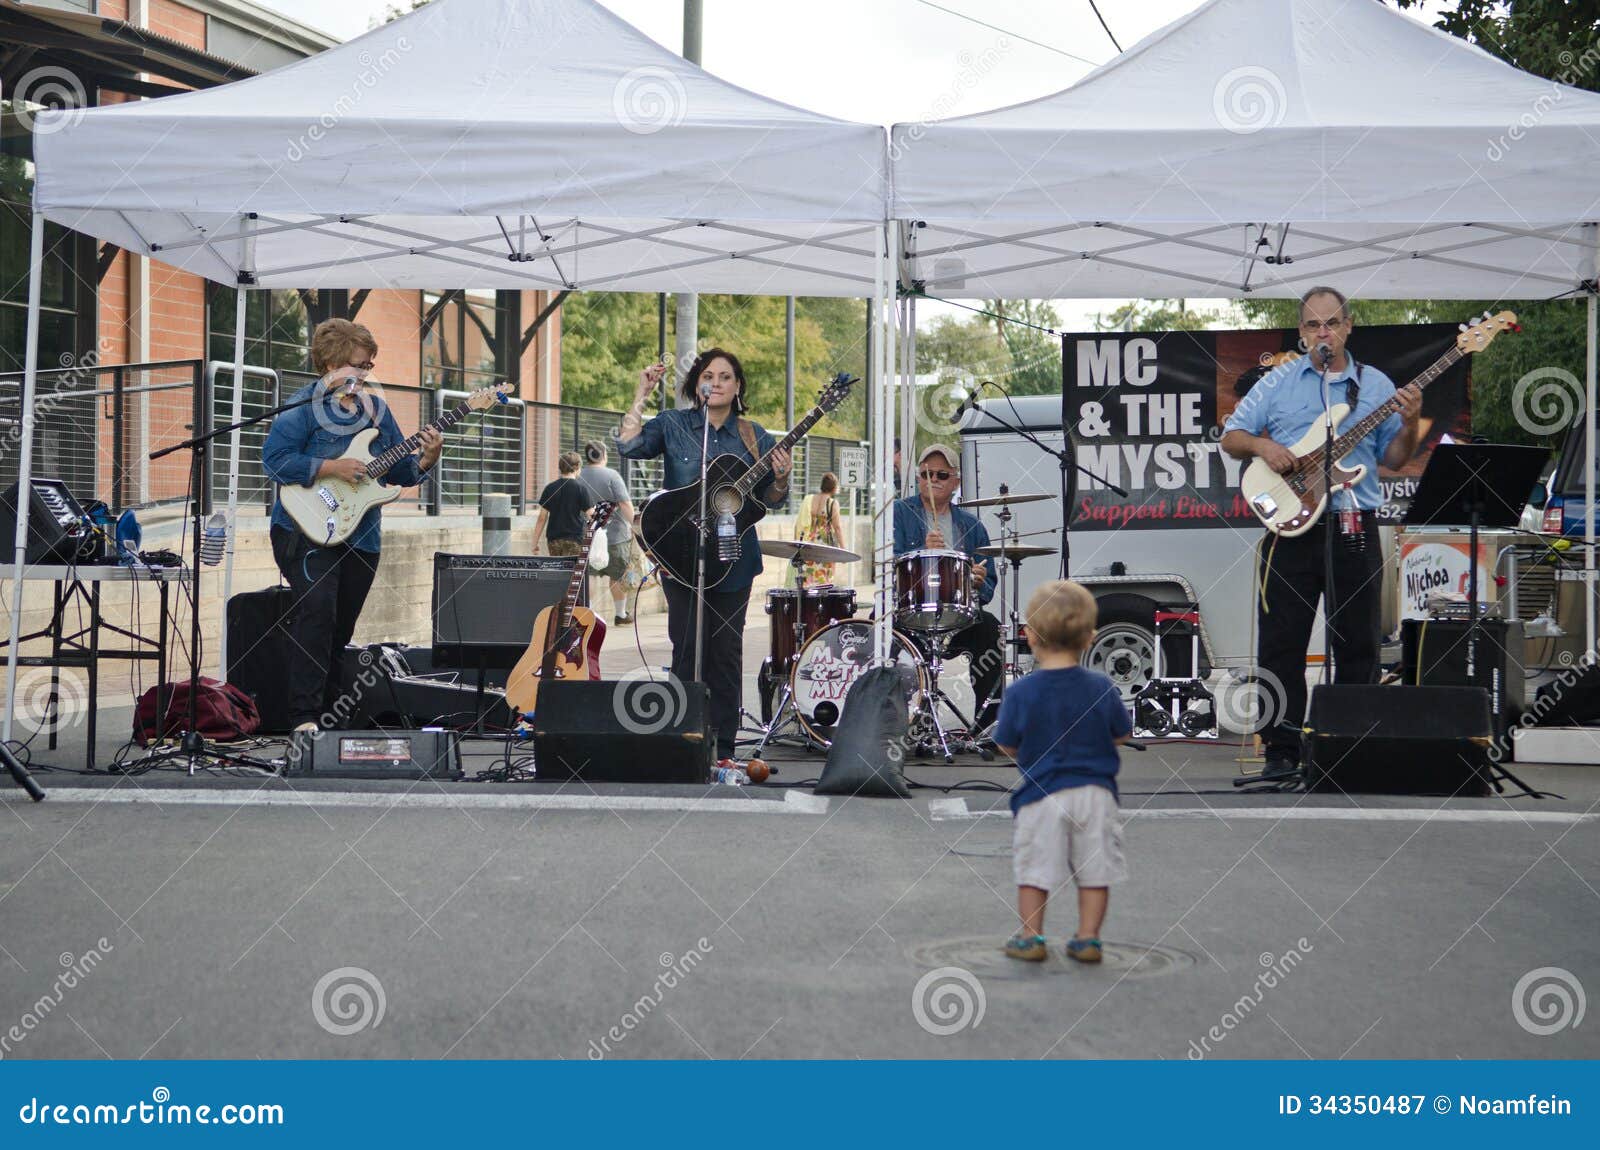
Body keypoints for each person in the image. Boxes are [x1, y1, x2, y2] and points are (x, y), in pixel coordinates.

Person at [1221, 285, 1422, 776]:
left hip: (1353, 524)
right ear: (1302, 333)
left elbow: (1394, 459)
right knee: (1281, 642)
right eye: (1312, 325)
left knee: (1358, 642)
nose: (1323, 333)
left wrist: (1412, 423)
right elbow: (1230, 437)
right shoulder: (1279, 381)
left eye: (1331, 323)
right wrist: (1263, 449)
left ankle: (1351, 749)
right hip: (1289, 529)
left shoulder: (1374, 385)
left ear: (1349, 326)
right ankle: (1282, 752)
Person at [262, 318, 444, 733]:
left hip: (361, 535)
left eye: (368, 367)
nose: (365, 374)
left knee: (341, 626)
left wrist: (426, 460)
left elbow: (398, 470)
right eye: (359, 365)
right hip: (303, 529)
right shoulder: (301, 407)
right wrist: (330, 466)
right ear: (332, 362)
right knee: (318, 612)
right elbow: (274, 460)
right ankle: (303, 717)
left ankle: (327, 718)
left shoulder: (375, 410)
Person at [616, 348, 792, 764]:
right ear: (696, 383)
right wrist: (641, 393)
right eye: (708, 375)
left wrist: (781, 477)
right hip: (682, 557)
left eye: (726, 376)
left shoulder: (754, 435)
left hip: (734, 562)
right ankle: (682, 740)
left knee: (726, 652)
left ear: (737, 387)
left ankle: (725, 748)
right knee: (686, 646)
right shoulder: (673, 425)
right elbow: (627, 446)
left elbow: (773, 500)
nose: (716, 382)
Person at [994, 580, 1131, 963]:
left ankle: (1031, 937)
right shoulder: (1102, 687)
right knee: (1095, 870)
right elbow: (1122, 733)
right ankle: (1088, 938)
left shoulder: (1022, 692)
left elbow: (1006, 743)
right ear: (1090, 637)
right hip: (1096, 794)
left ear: (1030, 637)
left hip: (1043, 793)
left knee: (1035, 869)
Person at [892, 443, 1003, 721]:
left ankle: (989, 725)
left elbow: (989, 581)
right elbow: (885, 563)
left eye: (941, 475)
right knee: (878, 627)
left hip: (957, 616)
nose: (932, 481)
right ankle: (894, 721)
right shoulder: (899, 512)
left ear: (956, 482)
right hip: (910, 614)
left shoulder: (972, 525)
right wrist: (918, 555)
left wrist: (977, 581)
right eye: (925, 474)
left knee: (989, 628)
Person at [577, 440, 638, 624]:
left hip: (588, 534)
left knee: (591, 576)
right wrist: (634, 525)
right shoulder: (612, 476)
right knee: (617, 574)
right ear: (603, 455)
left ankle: (588, 613)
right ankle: (620, 614)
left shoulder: (578, 476)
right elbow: (625, 504)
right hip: (615, 535)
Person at [531, 451, 593, 557]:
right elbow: (591, 516)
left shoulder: (550, 488)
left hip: (553, 540)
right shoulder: (581, 489)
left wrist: (534, 543)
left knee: (557, 571)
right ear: (577, 467)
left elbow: (542, 518)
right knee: (572, 572)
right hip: (575, 539)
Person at [795, 472, 845, 586]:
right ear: (833, 487)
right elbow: (837, 528)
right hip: (825, 545)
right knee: (824, 580)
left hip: (809, 542)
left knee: (808, 578)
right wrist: (843, 549)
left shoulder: (810, 499)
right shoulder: (832, 504)